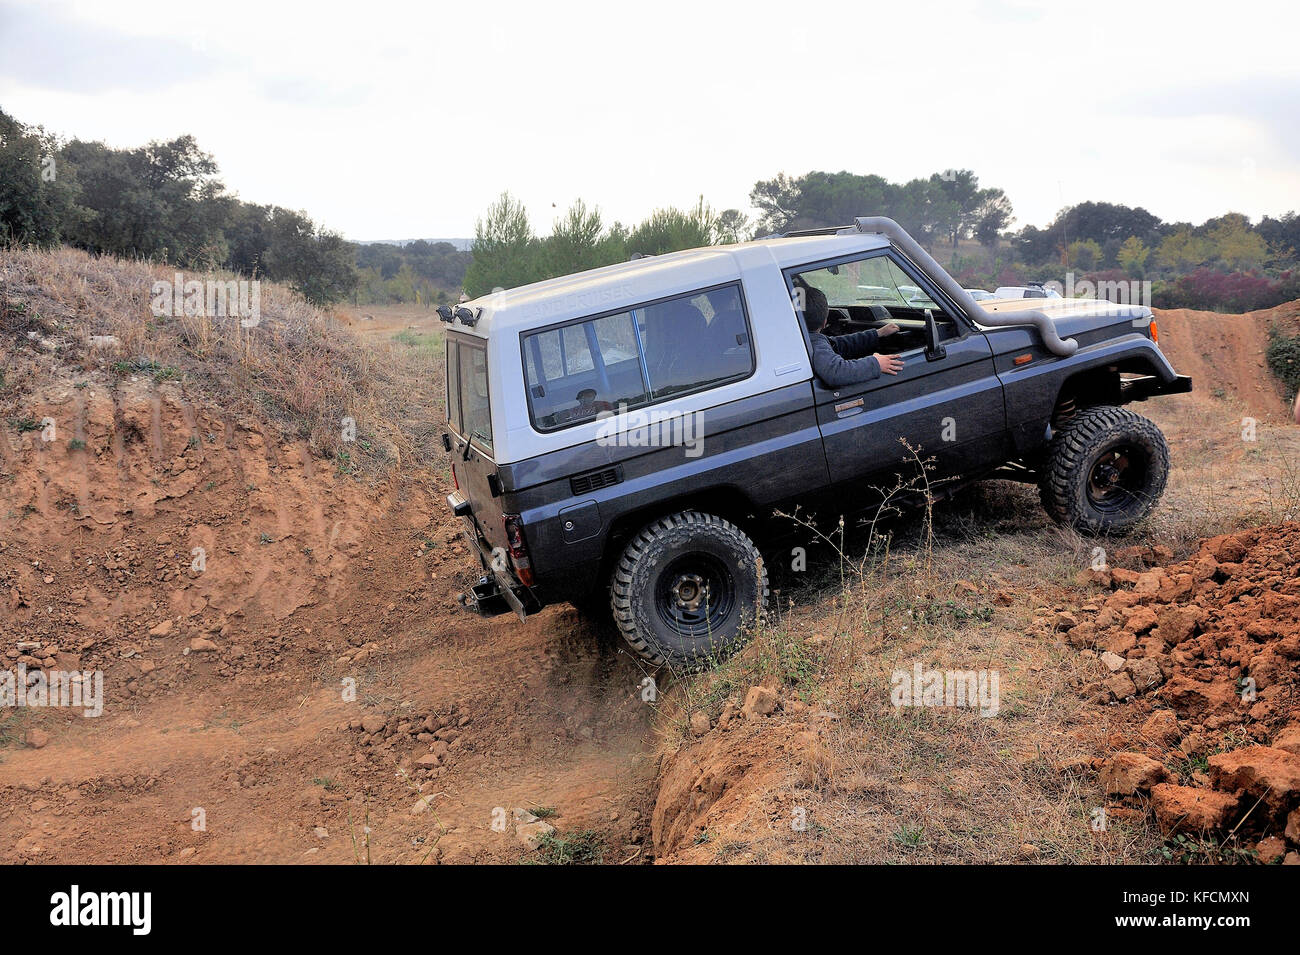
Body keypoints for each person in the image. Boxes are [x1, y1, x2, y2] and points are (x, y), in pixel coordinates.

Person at [799, 284, 903, 387]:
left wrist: (877, 334)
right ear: (825, 322)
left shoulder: (804, 339)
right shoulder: (815, 344)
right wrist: (875, 363)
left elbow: (837, 344)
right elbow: (836, 372)